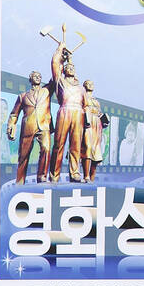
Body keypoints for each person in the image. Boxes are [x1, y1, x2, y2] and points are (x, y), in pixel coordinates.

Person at [49, 24, 86, 182]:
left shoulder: (80, 88)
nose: (70, 68)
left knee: (76, 144)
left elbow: (86, 105)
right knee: (59, 144)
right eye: (68, 67)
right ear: (64, 70)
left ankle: (75, 172)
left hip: (78, 114)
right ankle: (54, 175)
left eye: (72, 66)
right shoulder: (60, 82)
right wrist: (60, 50)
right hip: (65, 112)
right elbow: (55, 64)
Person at [7, 70, 54, 184]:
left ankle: (42, 177)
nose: (38, 77)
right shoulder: (22, 96)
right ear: (30, 79)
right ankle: (20, 181)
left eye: (39, 76)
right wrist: (11, 126)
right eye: (35, 76)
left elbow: (55, 74)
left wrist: (62, 59)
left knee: (46, 148)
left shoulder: (47, 91)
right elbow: (14, 114)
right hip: (28, 126)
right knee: (23, 155)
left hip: (44, 125)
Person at [80, 79, 105, 183]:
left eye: (92, 84)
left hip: (97, 125)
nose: (90, 85)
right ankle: (86, 176)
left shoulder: (96, 101)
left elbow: (99, 113)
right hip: (87, 123)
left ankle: (92, 177)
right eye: (88, 84)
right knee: (87, 148)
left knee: (96, 151)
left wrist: (103, 120)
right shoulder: (82, 97)